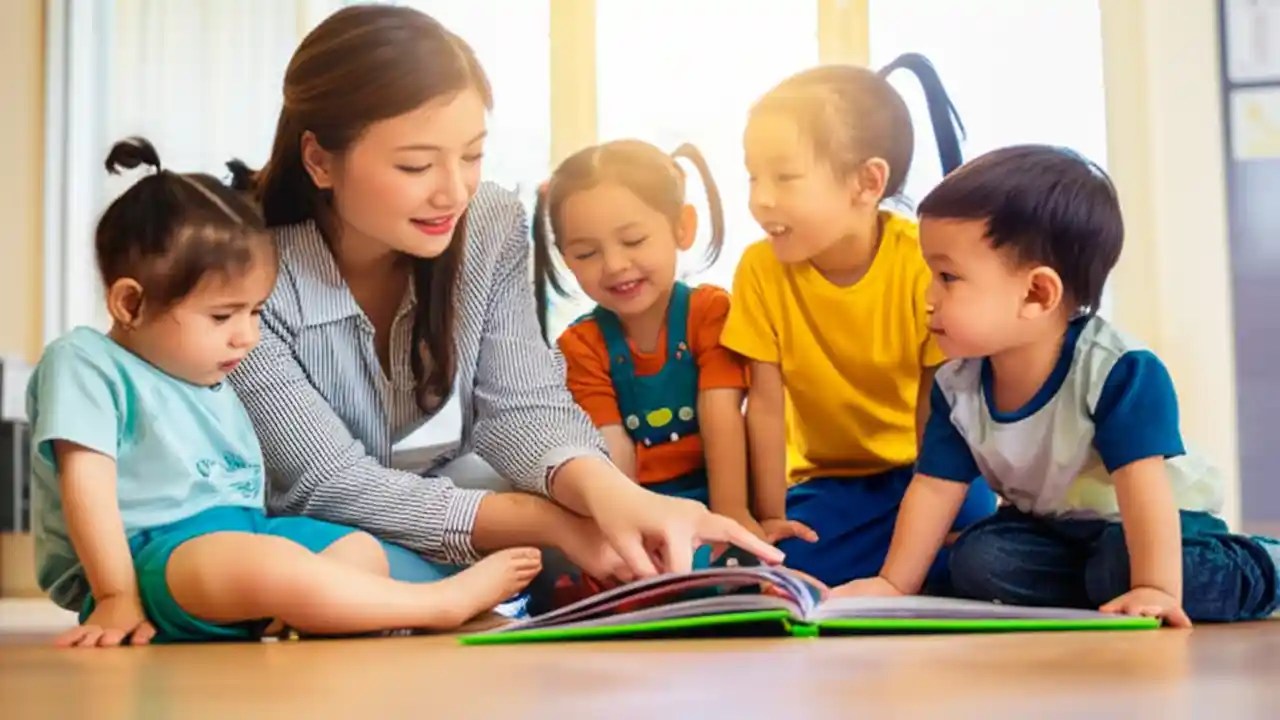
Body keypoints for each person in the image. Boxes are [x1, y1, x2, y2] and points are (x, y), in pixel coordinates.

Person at [225, 4, 780, 597]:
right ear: (319, 160)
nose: (453, 190)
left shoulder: (489, 221)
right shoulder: (240, 268)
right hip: (300, 524)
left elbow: (521, 405)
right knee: (344, 564)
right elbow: (325, 481)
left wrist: (616, 497)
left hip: (424, 500)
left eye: (471, 155)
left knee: (591, 534)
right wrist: (552, 524)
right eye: (416, 164)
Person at [30, 138, 544, 647]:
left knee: (358, 552)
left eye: (254, 312)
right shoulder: (86, 362)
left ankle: (323, 611)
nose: (247, 335)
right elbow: (87, 487)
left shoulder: (206, 370)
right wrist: (116, 593)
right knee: (269, 565)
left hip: (245, 534)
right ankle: (438, 606)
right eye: (222, 316)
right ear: (129, 304)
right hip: (150, 557)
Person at [835, 144, 1280, 625]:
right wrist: (894, 584)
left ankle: (1266, 565)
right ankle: (1102, 587)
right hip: (1054, 531)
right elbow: (934, 489)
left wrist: (1154, 587)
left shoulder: (1118, 371)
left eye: (947, 277)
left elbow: (1144, 492)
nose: (927, 297)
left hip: (1156, 529)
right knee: (978, 560)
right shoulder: (957, 386)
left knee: (1126, 566)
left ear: (1036, 293)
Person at [722, 55, 996, 587]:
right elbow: (766, 404)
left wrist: (931, 515)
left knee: (979, 560)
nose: (760, 198)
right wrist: (770, 515)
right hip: (832, 486)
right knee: (777, 575)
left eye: (785, 176)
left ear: (867, 182)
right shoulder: (759, 269)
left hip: (930, 470)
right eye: (753, 176)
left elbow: (935, 404)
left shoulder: (921, 260)